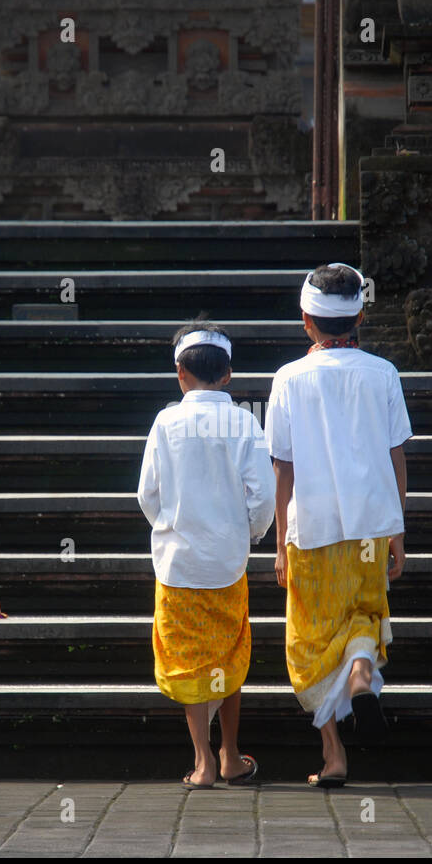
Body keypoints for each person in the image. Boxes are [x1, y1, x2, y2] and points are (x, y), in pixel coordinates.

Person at [263, 263, 411, 789]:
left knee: (308, 642)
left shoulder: (287, 378)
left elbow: (283, 467)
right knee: (363, 614)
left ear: (307, 321)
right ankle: (362, 672)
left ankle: (334, 754)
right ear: (360, 317)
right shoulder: (383, 373)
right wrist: (397, 529)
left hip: (313, 528)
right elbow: (396, 457)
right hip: (371, 523)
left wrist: (279, 542)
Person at [137, 321, 276, 788]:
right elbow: (262, 498)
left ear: (180, 373)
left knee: (189, 658)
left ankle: (202, 763)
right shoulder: (243, 421)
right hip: (226, 563)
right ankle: (231, 755)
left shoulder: (164, 421)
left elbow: (147, 494)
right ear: (228, 374)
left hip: (177, 563)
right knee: (228, 657)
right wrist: (249, 535)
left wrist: (171, 526)